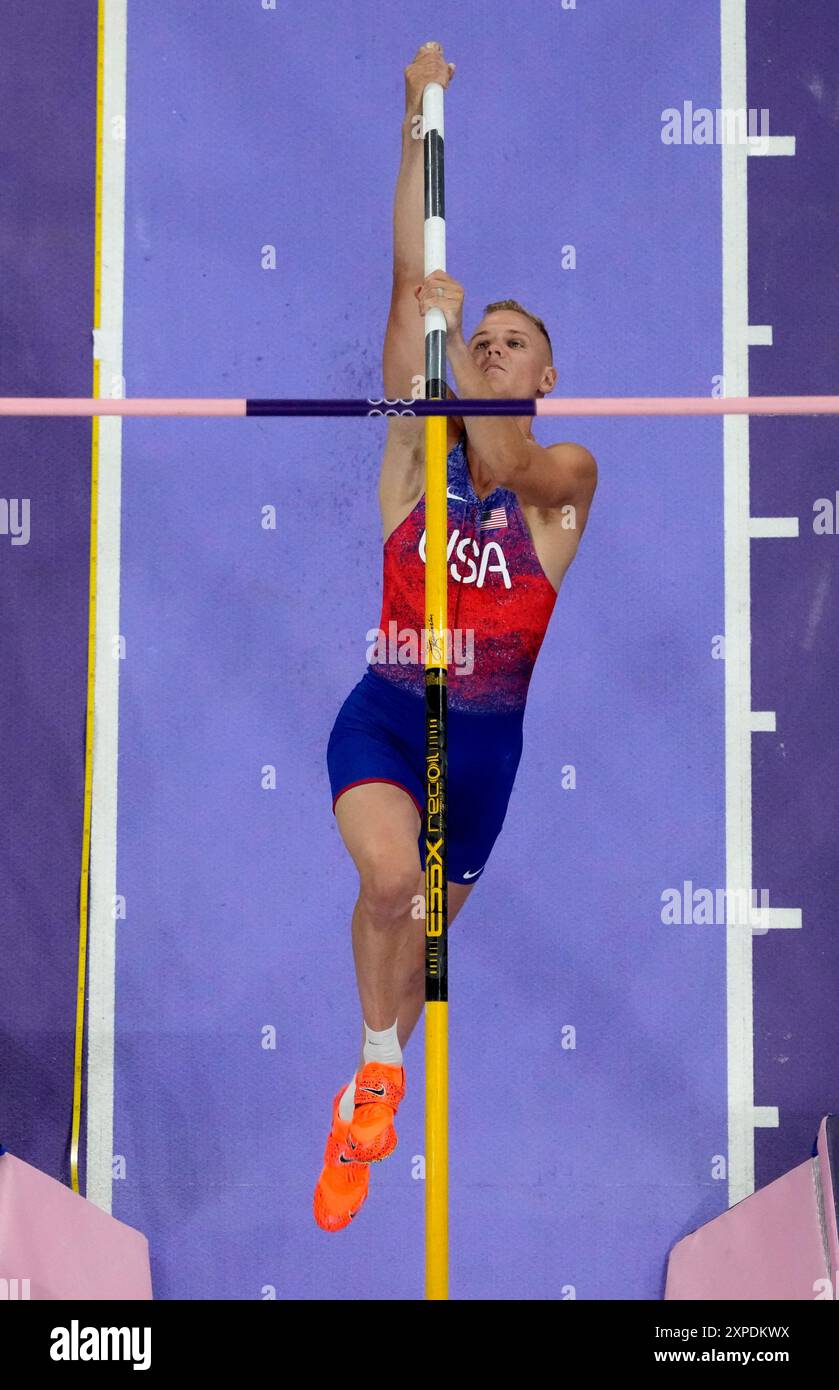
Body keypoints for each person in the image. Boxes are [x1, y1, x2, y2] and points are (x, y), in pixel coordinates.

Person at [314, 41, 597, 1231]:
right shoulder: (414, 457)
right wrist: (412, 118)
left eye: (510, 341)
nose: (488, 343)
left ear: (548, 373)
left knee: (423, 951)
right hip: (385, 719)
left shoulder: (561, 481)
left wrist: (459, 372)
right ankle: (377, 1072)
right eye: (479, 335)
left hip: (481, 765)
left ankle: (363, 1088)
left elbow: (508, 454)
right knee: (387, 883)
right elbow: (404, 283)